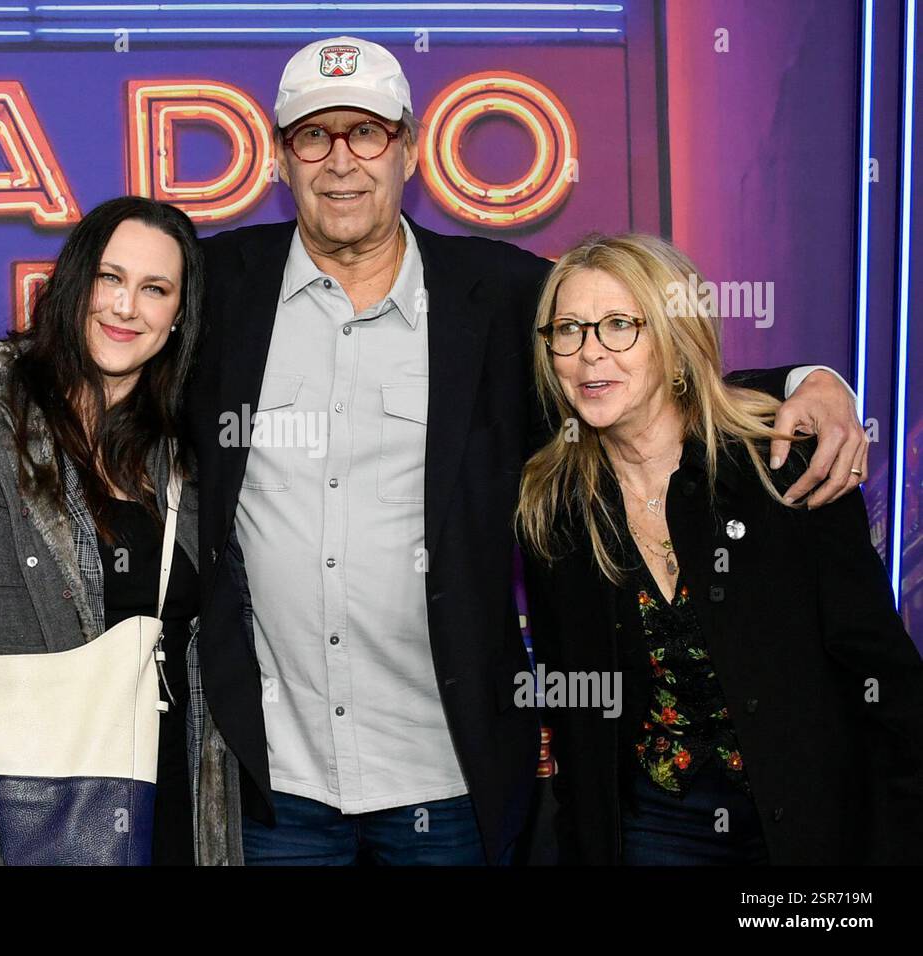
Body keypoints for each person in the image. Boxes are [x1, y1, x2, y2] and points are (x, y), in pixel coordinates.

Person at [187, 35, 869, 865]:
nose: (341, 161)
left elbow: (638, 371)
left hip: (451, 775)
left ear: (408, 147)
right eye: (314, 135)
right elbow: (97, 349)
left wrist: (811, 376)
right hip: (273, 780)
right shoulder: (214, 286)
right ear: (280, 156)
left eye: (365, 133)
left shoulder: (502, 293)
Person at [517, 233, 923, 864]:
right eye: (568, 329)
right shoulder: (556, 504)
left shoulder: (780, 466)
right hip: (658, 824)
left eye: (620, 325)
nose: (589, 354)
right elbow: (577, 712)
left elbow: (881, 673)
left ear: (676, 344)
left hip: (809, 817)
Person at [0, 196, 232, 865]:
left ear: (179, 317)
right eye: (110, 278)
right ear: (71, 283)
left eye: (155, 289)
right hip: (8, 824)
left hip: (170, 815)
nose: (127, 307)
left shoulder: (188, 451)